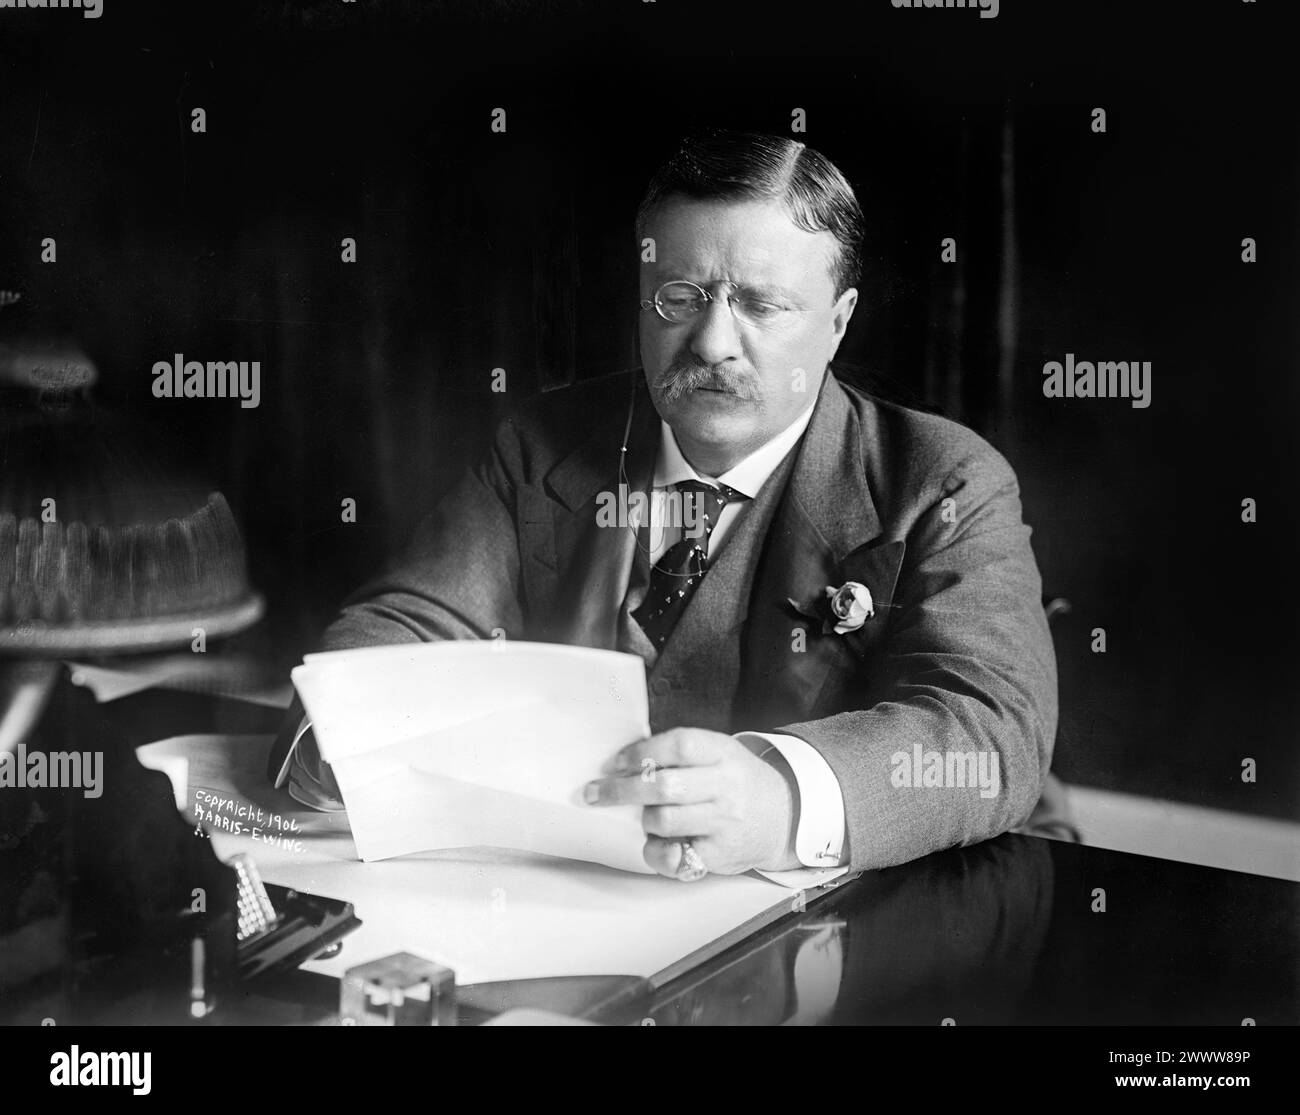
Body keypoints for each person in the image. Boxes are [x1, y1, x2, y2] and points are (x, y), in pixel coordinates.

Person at [271, 129, 1059, 886]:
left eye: (761, 304)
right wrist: (341, 739)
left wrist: (778, 801)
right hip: (567, 910)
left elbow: (986, 730)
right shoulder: (542, 442)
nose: (713, 342)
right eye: (679, 297)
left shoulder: (943, 481)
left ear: (838, 323)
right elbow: (407, 624)